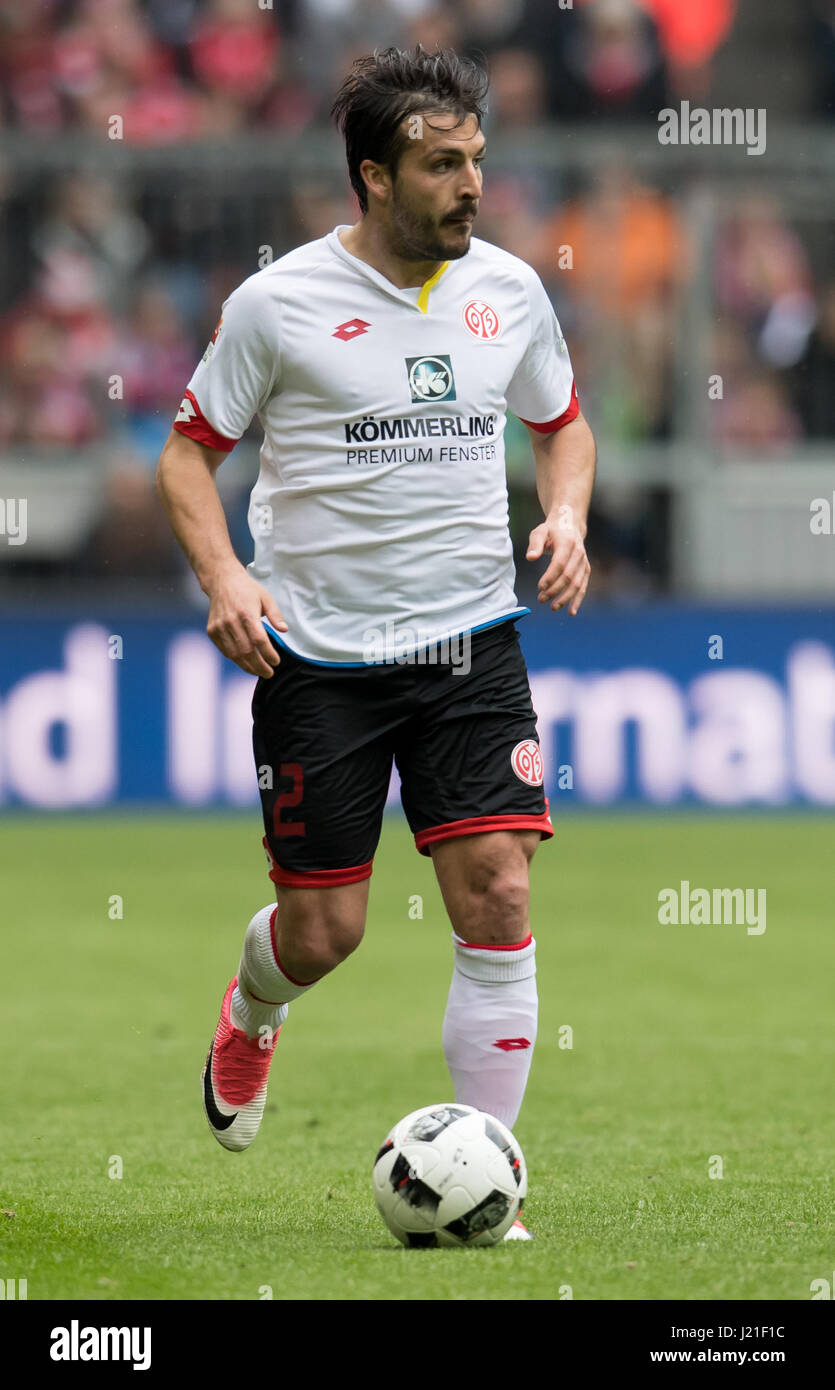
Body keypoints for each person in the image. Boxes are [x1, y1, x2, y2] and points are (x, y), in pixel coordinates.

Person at [156, 45, 595, 1240]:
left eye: (476, 161)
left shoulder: (509, 287)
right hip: (319, 661)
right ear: (373, 176)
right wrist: (226, 577)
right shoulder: (276, 305)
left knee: (498, 889)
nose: (470, 185)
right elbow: (188, 454)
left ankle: (487, 1191)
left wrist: (563, 513)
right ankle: (252, 1013)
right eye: (441, 164)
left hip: (469, 647)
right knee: (323, 934)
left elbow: (562, 424)